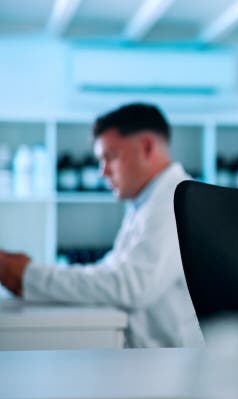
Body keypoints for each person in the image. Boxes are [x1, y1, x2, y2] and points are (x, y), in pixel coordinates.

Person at [0, 103, 203, 348]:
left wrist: (30, 276)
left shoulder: (173, 200)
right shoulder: (147, 201)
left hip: (166, 368)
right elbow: (110, 272)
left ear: (147, 147)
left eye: (111, 157)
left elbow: (129, 286)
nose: (102, 172)